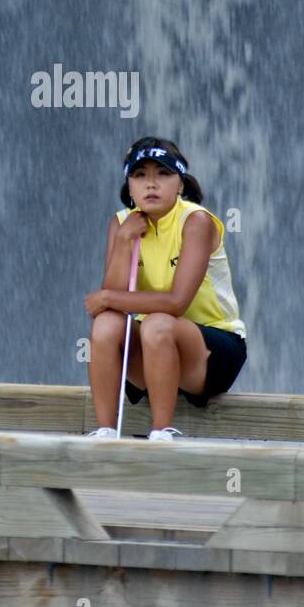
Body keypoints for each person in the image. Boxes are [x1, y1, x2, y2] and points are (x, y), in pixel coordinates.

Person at [83, 137, 247, 441]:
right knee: (106, 324)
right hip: (153, 353)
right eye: (140, 175)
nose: (151, 184)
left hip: (213, 350)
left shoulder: (196, 221)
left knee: (158, 323)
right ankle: (105, 432)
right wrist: (122, 241)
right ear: (129, 186)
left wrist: (105, 297)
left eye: (163, 173)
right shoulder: (120, 223)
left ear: (180, 184)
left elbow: (176, 303)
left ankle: (161, 433)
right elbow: (111, 307)